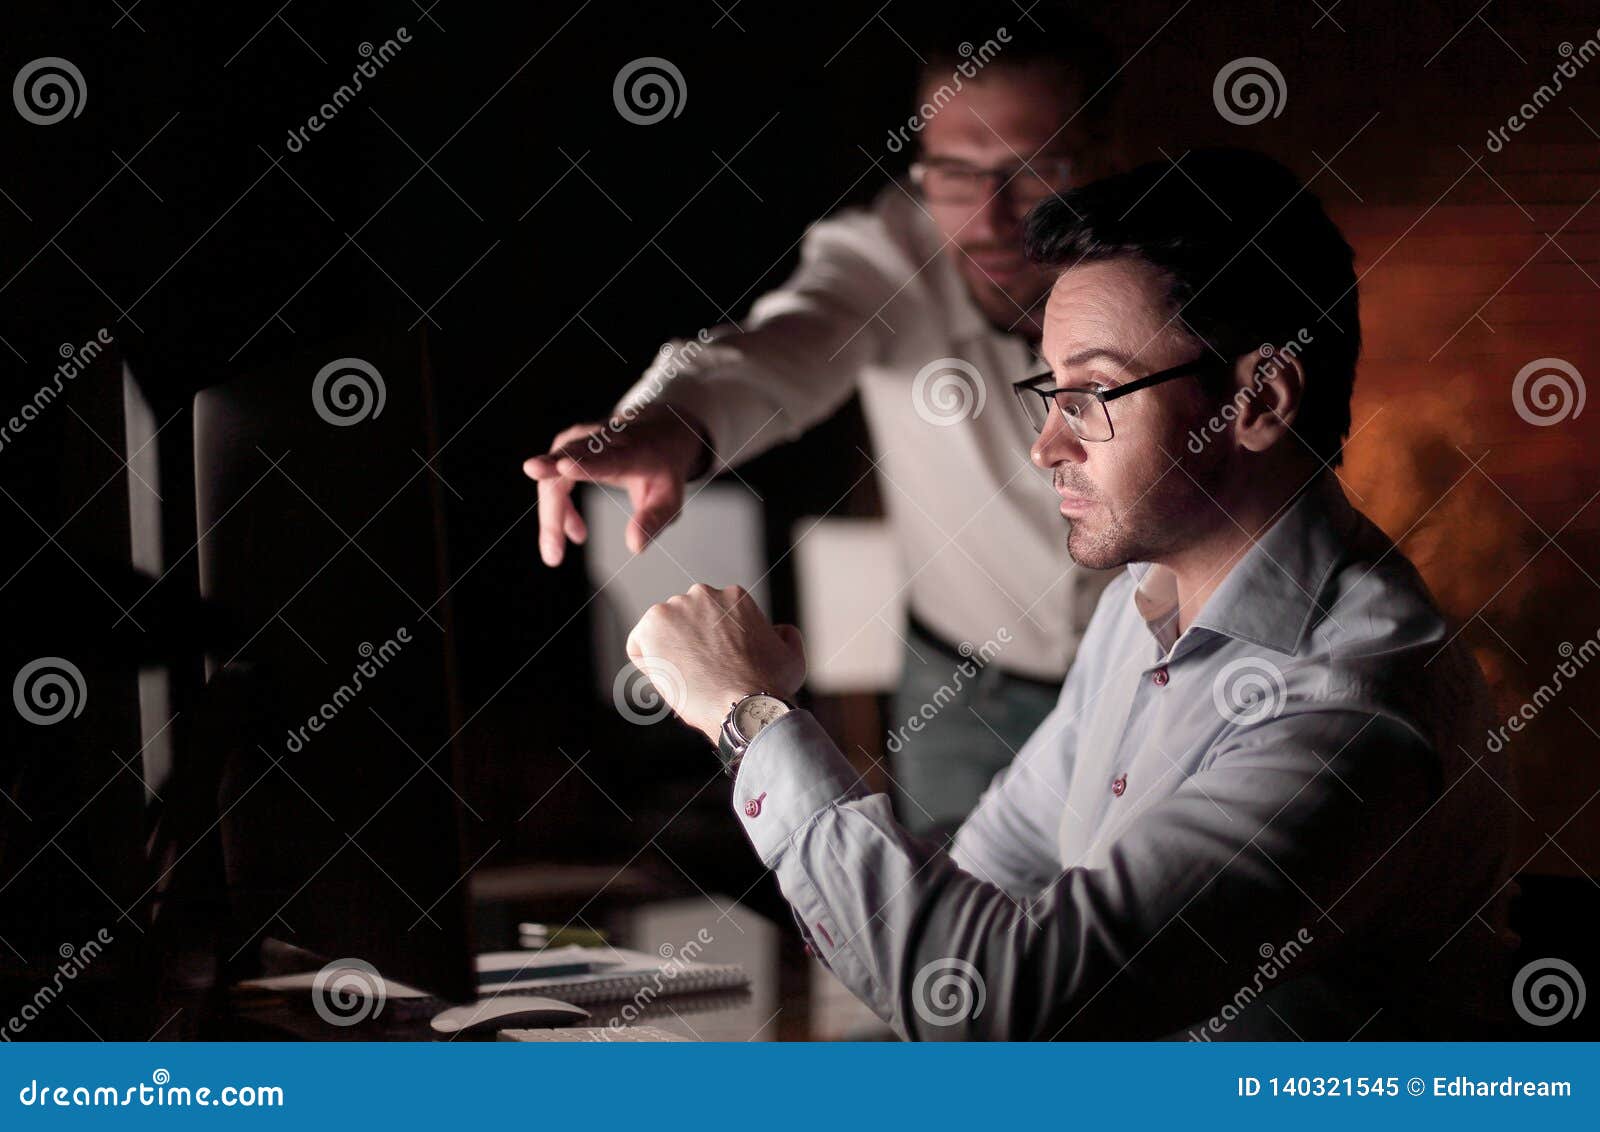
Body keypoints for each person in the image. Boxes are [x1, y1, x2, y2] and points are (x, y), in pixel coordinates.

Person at [620, 149, 1517, 1040]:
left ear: (1259, 399)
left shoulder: (1348, 712)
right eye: (1050, 392)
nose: (1046, 444)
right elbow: (991, 869)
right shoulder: (1148, 602)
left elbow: (996, 1004)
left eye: (1089, 394)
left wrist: (750, 715)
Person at [524, 7, 1121, 834]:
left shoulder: (1172, 267)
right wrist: (672, 419)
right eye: (953, 172)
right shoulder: (885, 255)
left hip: (1160, 681)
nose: (990, 217)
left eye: (1034, 168)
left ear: (1107, 157)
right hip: (964, 699)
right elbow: (784, 343)